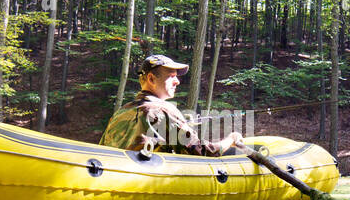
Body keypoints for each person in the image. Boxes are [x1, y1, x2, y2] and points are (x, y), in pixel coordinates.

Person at [100, 54, 243, 156]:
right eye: (172, 76)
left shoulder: (121, 112)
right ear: (151, 78)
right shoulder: (163, 110)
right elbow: (203, 152)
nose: (177, 82)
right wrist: (231, 139)